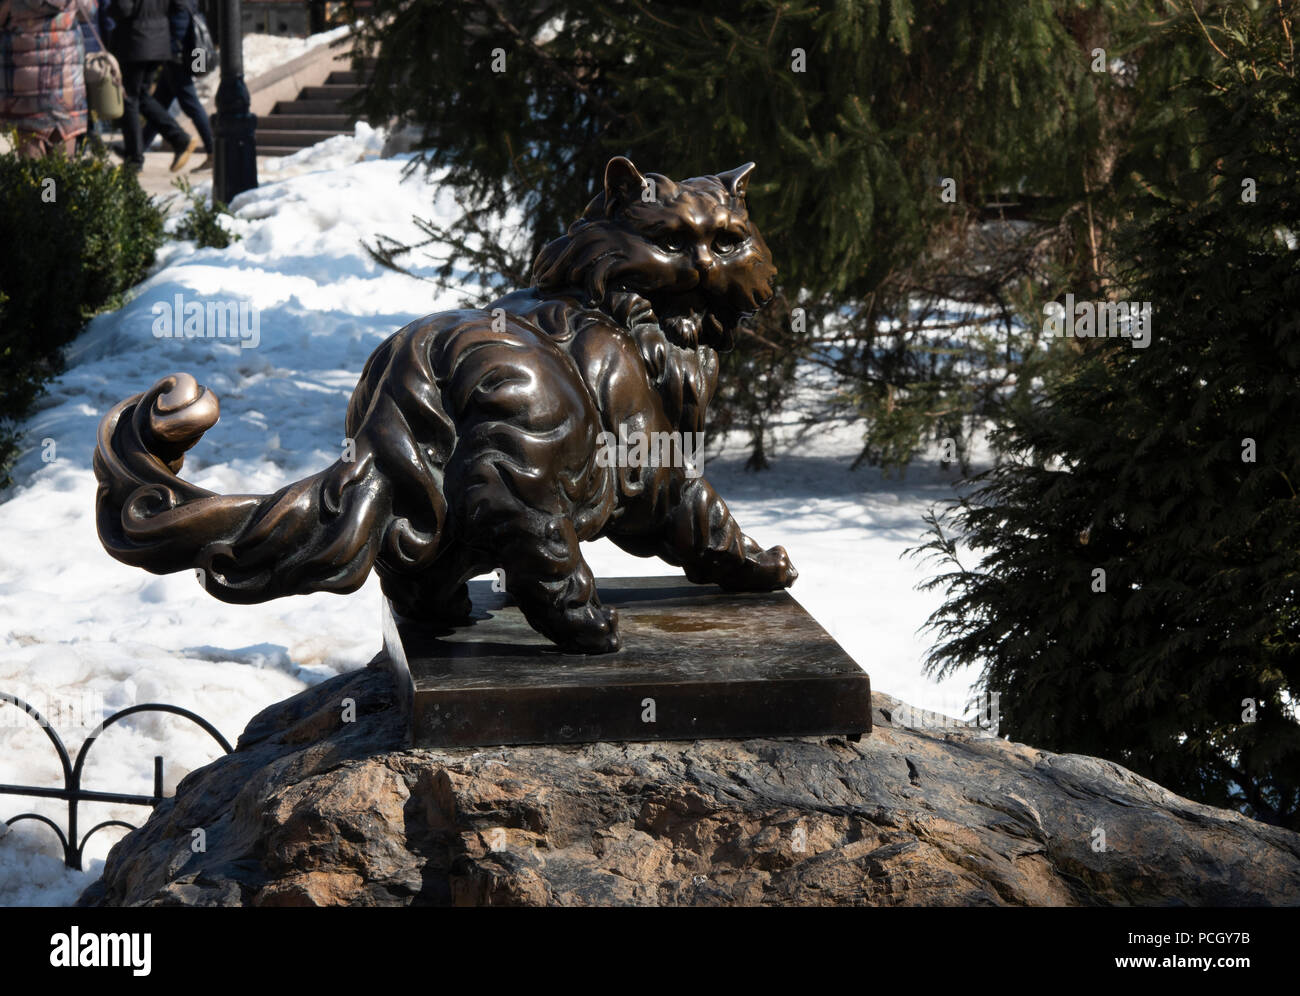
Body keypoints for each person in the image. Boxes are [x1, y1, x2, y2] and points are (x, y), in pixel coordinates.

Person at [108, 0, 196, 171]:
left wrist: (110, 8)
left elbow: (123, 9)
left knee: (130, 99)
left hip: (135, 42)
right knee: (140, 96)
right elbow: (179, 5)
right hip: (158, 42)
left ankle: (135, 158)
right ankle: (177, 139)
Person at [0, 0, 89, 158]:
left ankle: (43, 183)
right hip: (66, 85)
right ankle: (54, 183)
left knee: (32, 166)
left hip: (24, 87)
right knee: (62, 163)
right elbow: (88, 12)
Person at [140, 0, 209, 169]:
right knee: (158, 105)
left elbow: (176, 31)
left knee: (191, 105)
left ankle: (213, 150)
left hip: (176, 60)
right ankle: (137, 149)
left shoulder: (177, 3)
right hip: (177, 59)